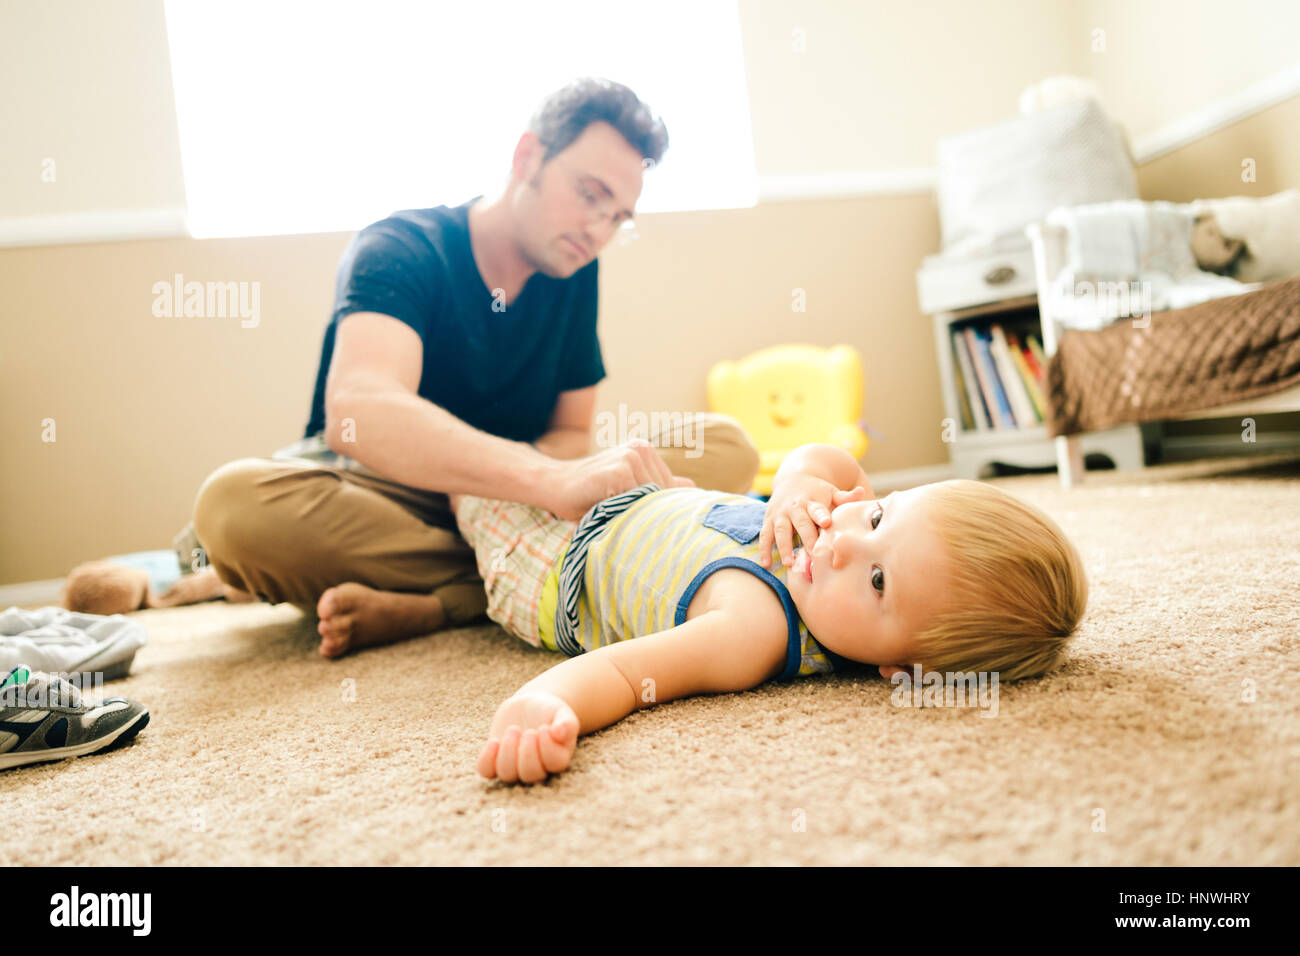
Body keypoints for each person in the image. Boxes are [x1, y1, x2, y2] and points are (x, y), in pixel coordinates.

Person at [181, 78, 760, 657]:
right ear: (528, 156)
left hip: (514, 500)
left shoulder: (574, 268)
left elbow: (570, 432)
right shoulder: (401, 246)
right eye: (589, 195)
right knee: (231, 508)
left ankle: (451, 597)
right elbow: (359, 410)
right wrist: (544, 480)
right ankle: (507, 581)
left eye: (618, 218)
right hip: (387, 495)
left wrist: (537, 481)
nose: (598, 230)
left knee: (726, 445)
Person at [450, 442, 1088, 784]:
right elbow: (830, 461)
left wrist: (546, 702)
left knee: (468, 479)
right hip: (630, 502)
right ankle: (432, 598)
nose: (841, 541)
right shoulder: (829, 525)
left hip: (556, 565)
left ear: (903, 670)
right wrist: (798, 480)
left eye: (876, 580)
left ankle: (436, 589)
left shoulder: (753, 631)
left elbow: (622, 675)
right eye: (877, 516)